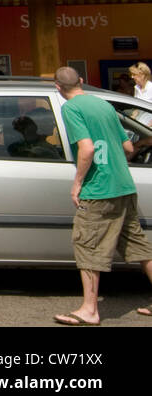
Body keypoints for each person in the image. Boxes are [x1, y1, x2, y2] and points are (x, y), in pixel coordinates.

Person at [52, 66, 152, 325]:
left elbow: (86, 150)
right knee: (139, 247)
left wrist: (77, 185)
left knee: (88, 247)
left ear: (57, 88)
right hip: (124, 186)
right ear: (82, 81)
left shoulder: (71, 108)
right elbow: (128, 145)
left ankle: (89, 310)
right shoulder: (105, 105)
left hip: (99, 189)